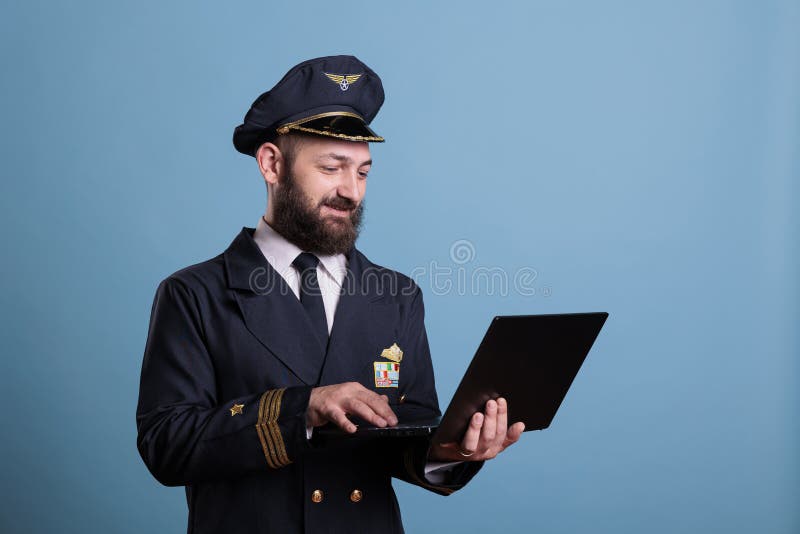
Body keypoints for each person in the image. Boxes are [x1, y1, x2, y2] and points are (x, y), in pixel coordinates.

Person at [136, 55, 524, 534]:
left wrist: (450, 450)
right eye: (332, 167)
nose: (351, 191)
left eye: (362, 172)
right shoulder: (193, 294)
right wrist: (305, 408)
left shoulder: (398, 294)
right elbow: (166, 445)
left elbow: (407, 430)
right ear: (271, 163)